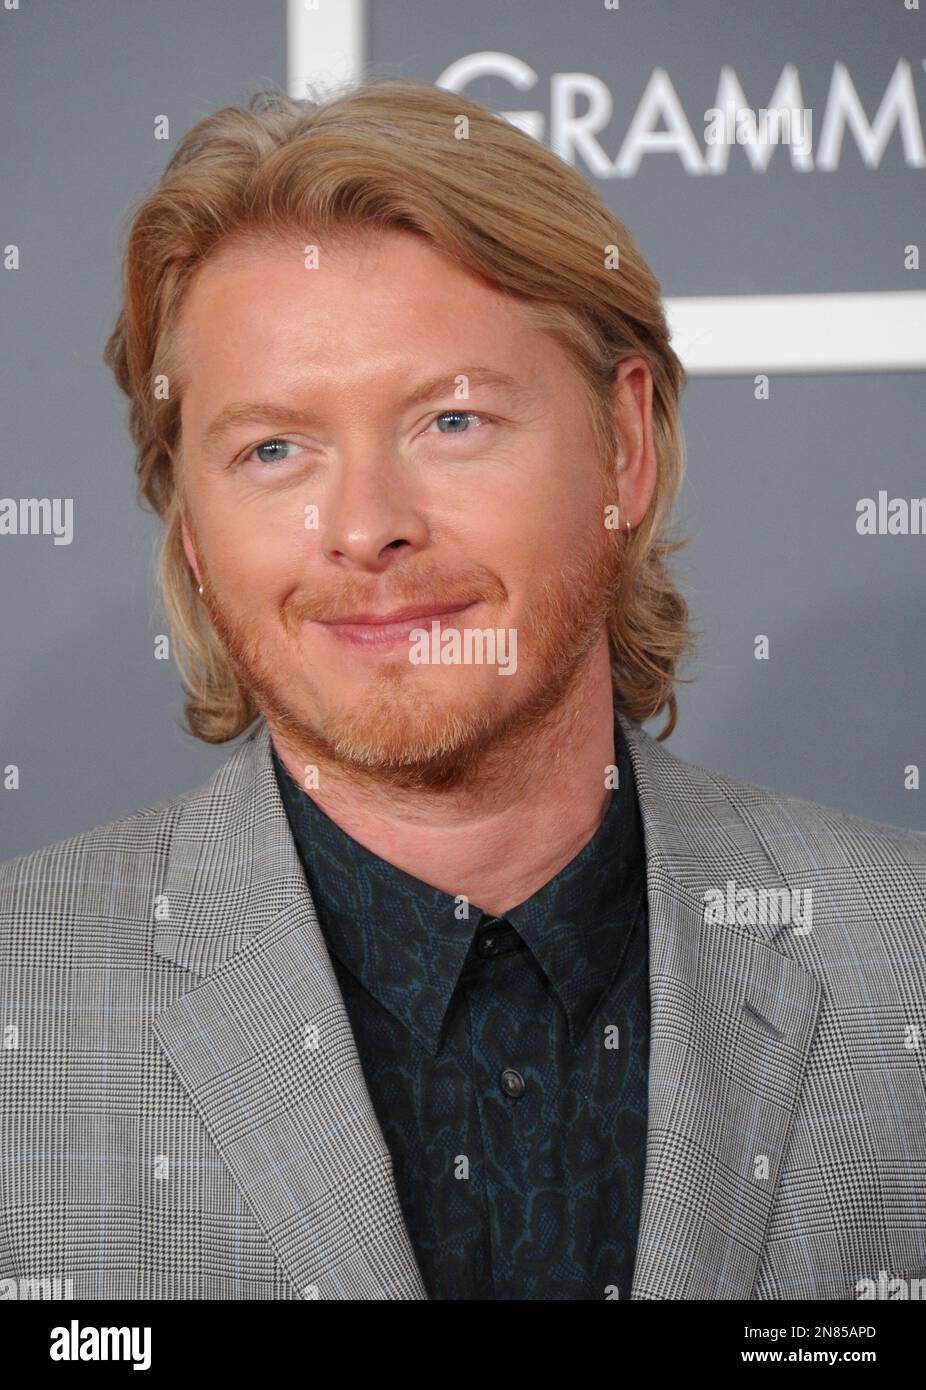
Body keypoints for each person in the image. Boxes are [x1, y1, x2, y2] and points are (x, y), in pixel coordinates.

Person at [1, 80, 924, 1302]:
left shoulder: (899, 961)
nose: (368, 527)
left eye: (451, 419)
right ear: (189, 529)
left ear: (624, 448)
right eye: (273, 450)